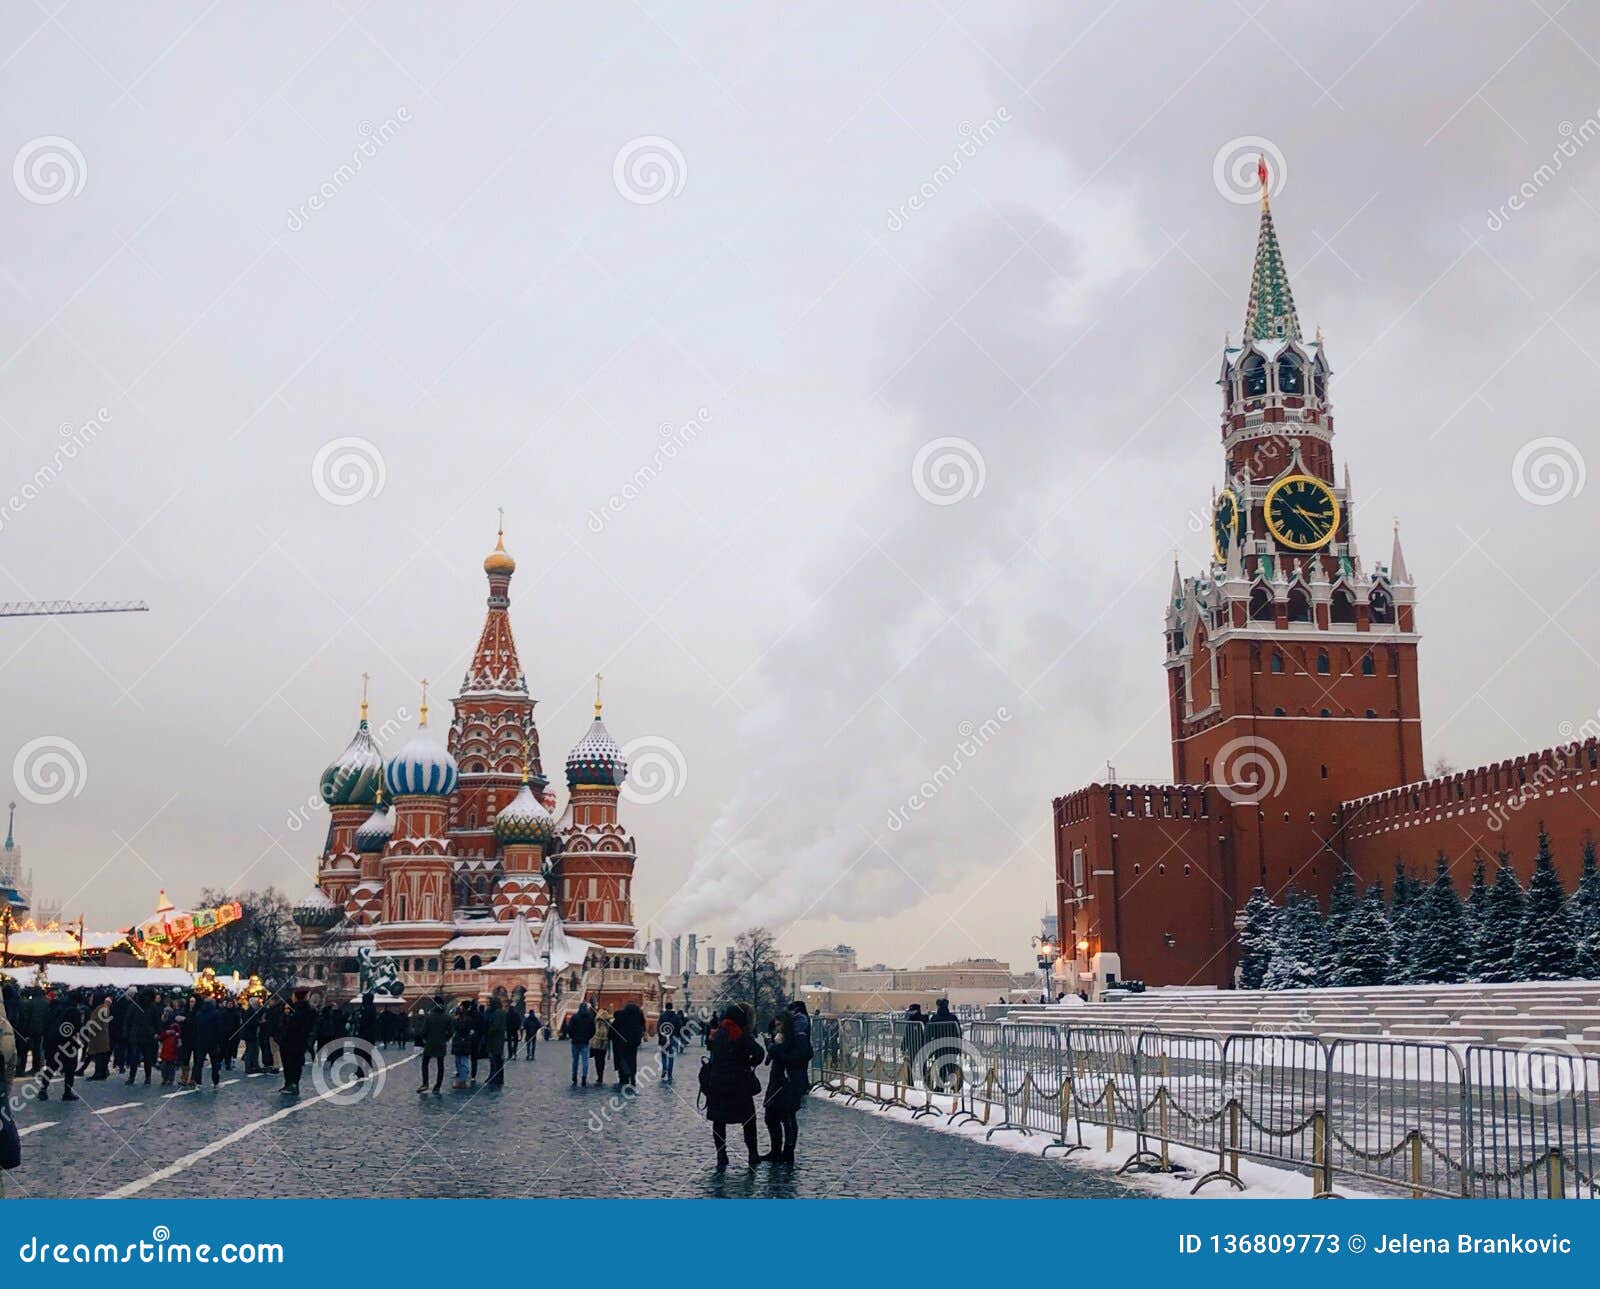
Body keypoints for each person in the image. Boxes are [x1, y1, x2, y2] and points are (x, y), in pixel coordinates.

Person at [700, 1003, 763, 1170]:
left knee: (719, 1121)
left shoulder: (717, 1033)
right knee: (748, 1120)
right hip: (738, 1085)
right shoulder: (739, 1034)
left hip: (717, 1083)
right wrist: (749, 1063)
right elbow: (759, 1053)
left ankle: (722, 1155)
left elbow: (711, 1049)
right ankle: (752, 1154)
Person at [761, 1010, 812, 1163]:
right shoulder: (779, 1039)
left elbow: (796, 1058)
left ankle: (788, 1152)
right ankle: (775, 1151)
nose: (776, 1028)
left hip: (790, 1083)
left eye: (779, 1025)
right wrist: (772, 1047)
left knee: (788, 1117)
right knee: (770, 1117)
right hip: (777, 1082)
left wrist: (773, 1049)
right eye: (775, 1025)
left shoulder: (797, 1038)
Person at [39, 990, 83, 1101]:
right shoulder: (74, 1011)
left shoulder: (54, 1006)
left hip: (51, 1041)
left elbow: (46, 1022)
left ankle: (43, 1090)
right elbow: (77, 1029)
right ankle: (67, 1092)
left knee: (51, 1066)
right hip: (67, 1043)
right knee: (70, 1068)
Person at [279, 990, 315, 1096]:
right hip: (299, 1041)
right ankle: (290, 1084)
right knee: (294, 1064)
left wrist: (287, 1016)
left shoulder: (300, 1010)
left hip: (292, 1041)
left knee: (291, 1064)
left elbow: (292, 1026)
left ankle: (292, 1085)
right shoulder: (306, 1009)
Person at [923, 997, 963, 1091]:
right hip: (951, 1047)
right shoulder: (953, 1018)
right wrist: (958, 1047)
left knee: (940, 1066)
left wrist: (928, 1047)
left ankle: (940, 1087)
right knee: (951, 1066)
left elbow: (928, 1033)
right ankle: (954, 1085)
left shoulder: (935, 1018)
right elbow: (958, 1033)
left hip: (939, 1047)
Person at [418, 995, 451, 1094]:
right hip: (441, 1043)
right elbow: (451, 1032)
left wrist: (425, 1039)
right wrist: (445, 1039)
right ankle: (438, 1085)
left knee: (425, 1063)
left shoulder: (429, 1017)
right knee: (440, 1065)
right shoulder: (447, 1017)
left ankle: (425, 1083)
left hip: (430, 1043)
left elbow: (423, 1031)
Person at [611, 998, 646, 1089]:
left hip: (622, 1042)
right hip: (634, 1042)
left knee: (622, 1058)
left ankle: (624, 1076)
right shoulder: (638, 1015)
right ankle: (633, 1077)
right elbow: (643, 1025)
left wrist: (610, 1036)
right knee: (633, 1059)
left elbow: (614, 1027)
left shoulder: (622, 1015)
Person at [124, 989, 157, 1086]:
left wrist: (126, 1034)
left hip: (136, 1035)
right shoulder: (153, 1007)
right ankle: (148, 1077)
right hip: (147, 1035)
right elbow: (156, 1021)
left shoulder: (134, 1006)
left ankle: (132, 1077)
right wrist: (157, 1032)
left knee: (135, 1058)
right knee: (147, 1058)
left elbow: (127, 1021)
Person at [566, 1001, 596, 1086]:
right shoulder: (590, 1018)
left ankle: (574, 1076)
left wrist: (572, 1036)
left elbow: (569, 1029)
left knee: (575, 1060)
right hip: (585, 1042)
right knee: (585, 1061)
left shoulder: (574, 1017)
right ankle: (584, 1077)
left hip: (575, 1042)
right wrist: (588, 1037)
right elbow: (593, 1030)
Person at [451, 1002, 476, 1090]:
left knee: (463, 1061)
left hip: (462, 1042)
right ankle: (461, 1079)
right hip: (461, 1043)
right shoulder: (464, 1018)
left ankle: (462, 1080)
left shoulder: (465, 1019)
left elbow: (459, 1027)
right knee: (459, 1061)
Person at [483, 996, 507, 1087]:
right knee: (498, 1059)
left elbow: (495, 1026)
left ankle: (496, 1077)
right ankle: (498, 1077)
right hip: (499, 1039)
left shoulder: (497, 1013)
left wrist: (489, 1031)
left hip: (494, 1039)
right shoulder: (502, 1012)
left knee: (495, 1059)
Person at [658, 1004, 682, 1082]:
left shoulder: (662, 1016)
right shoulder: (676, 1016)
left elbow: (659, 1027)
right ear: (672, 1008)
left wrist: (660, 1036)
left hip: (664, 1038)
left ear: (665, 1007)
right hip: (673, 1038)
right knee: (671, 1056)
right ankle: (670, 1073)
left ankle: (664, 1068)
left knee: (664, 1055)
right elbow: (679, 1026)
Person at [589, 1006, 613, 1084]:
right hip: (602, 1045)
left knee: (598, 1061)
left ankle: (599, 1076)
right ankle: (600, 1076)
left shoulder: (598, 1022)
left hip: (598, 1044)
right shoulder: (605, 1023)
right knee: (601, 1061)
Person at [157, 1014, 182, 1085]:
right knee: (168, 1065)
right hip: (169, 1048)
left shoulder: (173, 1027)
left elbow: (161, 1037)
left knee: (168, 1065)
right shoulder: (171, 1027)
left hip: (169, 1048)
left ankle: (167, 1079)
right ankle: (167, 1078)